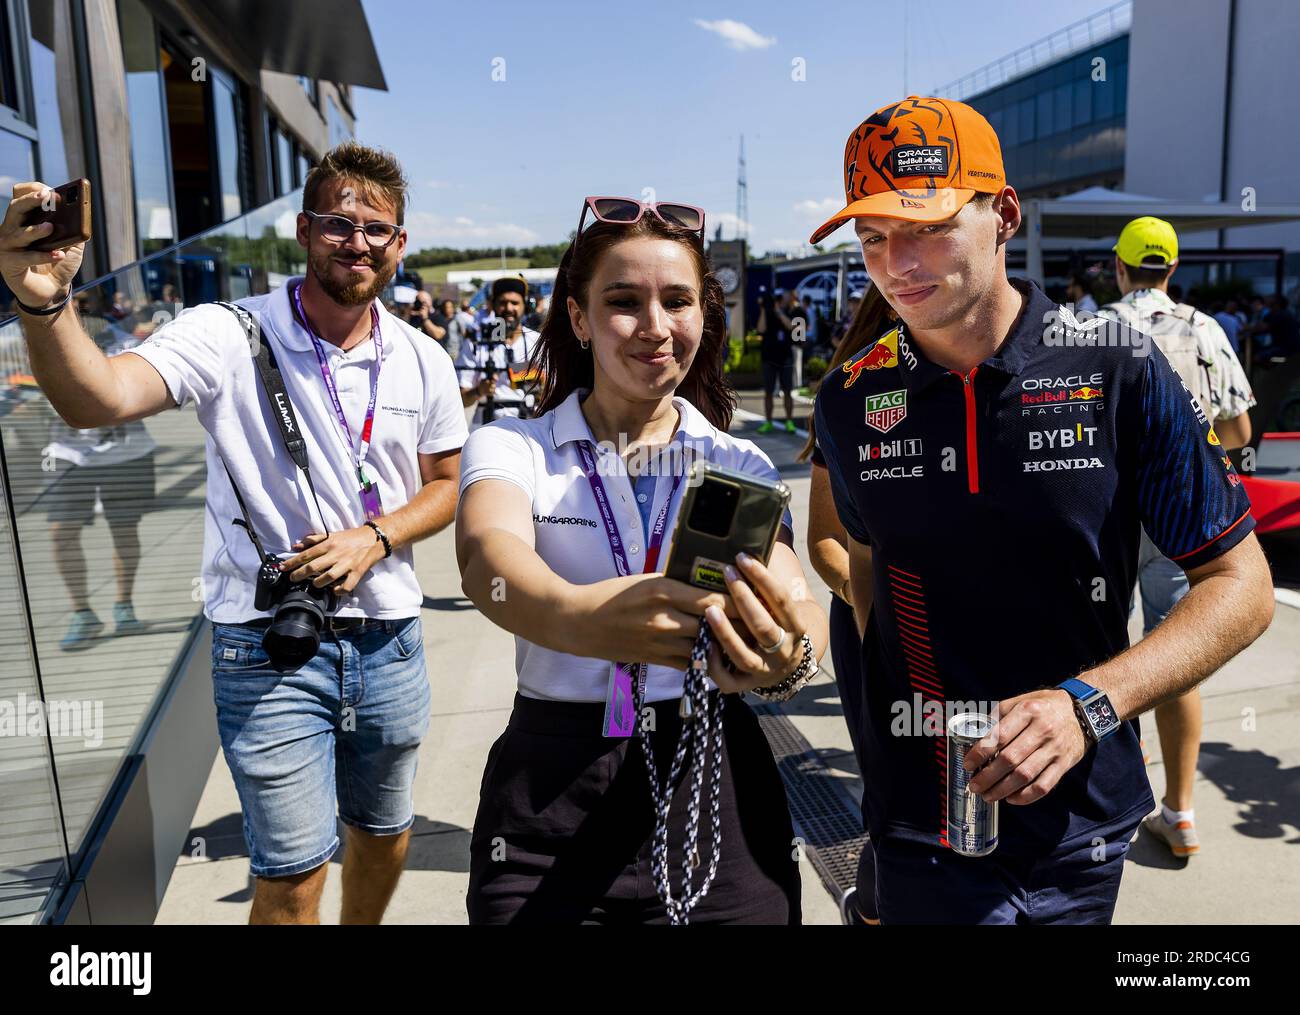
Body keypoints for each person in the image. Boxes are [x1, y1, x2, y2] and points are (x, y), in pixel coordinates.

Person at [807, 95, 1273, 924]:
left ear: (1005, 215)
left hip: (1081, 821)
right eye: (872, 237)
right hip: (920, 824)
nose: (897, 263)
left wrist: (1087, 704)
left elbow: (1241, 584)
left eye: (926, 226)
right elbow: (865, 561)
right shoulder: (850, 398)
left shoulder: (1117, 368)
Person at [0, 141, 469, 925]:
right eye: (337, 224)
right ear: (302, 228)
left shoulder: (423, 357)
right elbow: (98, 399)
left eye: (376, 230)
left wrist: (375, 536)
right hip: (266, 644)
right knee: (289, 877)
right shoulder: (224, 331)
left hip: (389, 639)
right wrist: (45, 303)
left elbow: (447, 485)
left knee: (385, 833)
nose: (356, 242)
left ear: (399, 245)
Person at [456, 195, 829, 924]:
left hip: (717, 780)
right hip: (550, 788)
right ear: (576, 316)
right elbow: (485, 558)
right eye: (624, 301)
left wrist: (786, 655)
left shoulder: (737, 458)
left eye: (678, 301)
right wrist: (581, 618)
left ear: (703, 314)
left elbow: (798, 597)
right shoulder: (515, 446)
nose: (655, 328)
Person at [1096, 216, 1256, 859]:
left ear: (1119, 266)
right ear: (1172, 269)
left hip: (1102, 517)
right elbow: (1240, 430)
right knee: (1174, 661)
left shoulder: (1089, 328)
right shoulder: (1203, 329)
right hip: (1180, 519)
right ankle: (1180, 811)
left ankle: (1104, 802)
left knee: (1100, 655)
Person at [799, 283, 895, 925]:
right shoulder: (850, 399)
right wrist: (876, 608)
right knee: (893, 798)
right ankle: (876, 906)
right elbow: (826, 541)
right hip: (876, 636)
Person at [41, 315, 156, 649]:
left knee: (123, 530)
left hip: (126, 453)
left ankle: (124, 606)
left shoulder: (121, 341)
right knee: (61, 531)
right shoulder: (32, 340)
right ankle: (82, 612)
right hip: (67, 452)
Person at [455, 276, 541, 427]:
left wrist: (521, 373)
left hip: (529, 427)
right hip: (486, 427)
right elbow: (459, 400)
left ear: (525, 306)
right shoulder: (476, 342)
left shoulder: (538, 342)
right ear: (493, 306)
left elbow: (552, 389)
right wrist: (478, 391)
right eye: (502, 302)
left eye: (514, 303)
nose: (508, 308)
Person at [756, 287, 797, 434]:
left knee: (787, 391)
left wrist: (779, 311)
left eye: (781, 299)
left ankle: (789, 421)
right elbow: (760, 329)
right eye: (777, 299)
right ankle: (768, 422)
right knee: (768, 391)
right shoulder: (766, 312)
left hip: (785, 357)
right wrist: (763, 309)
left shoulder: (791, 312)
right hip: (768, 357)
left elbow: (791, 326)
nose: (778, 302)